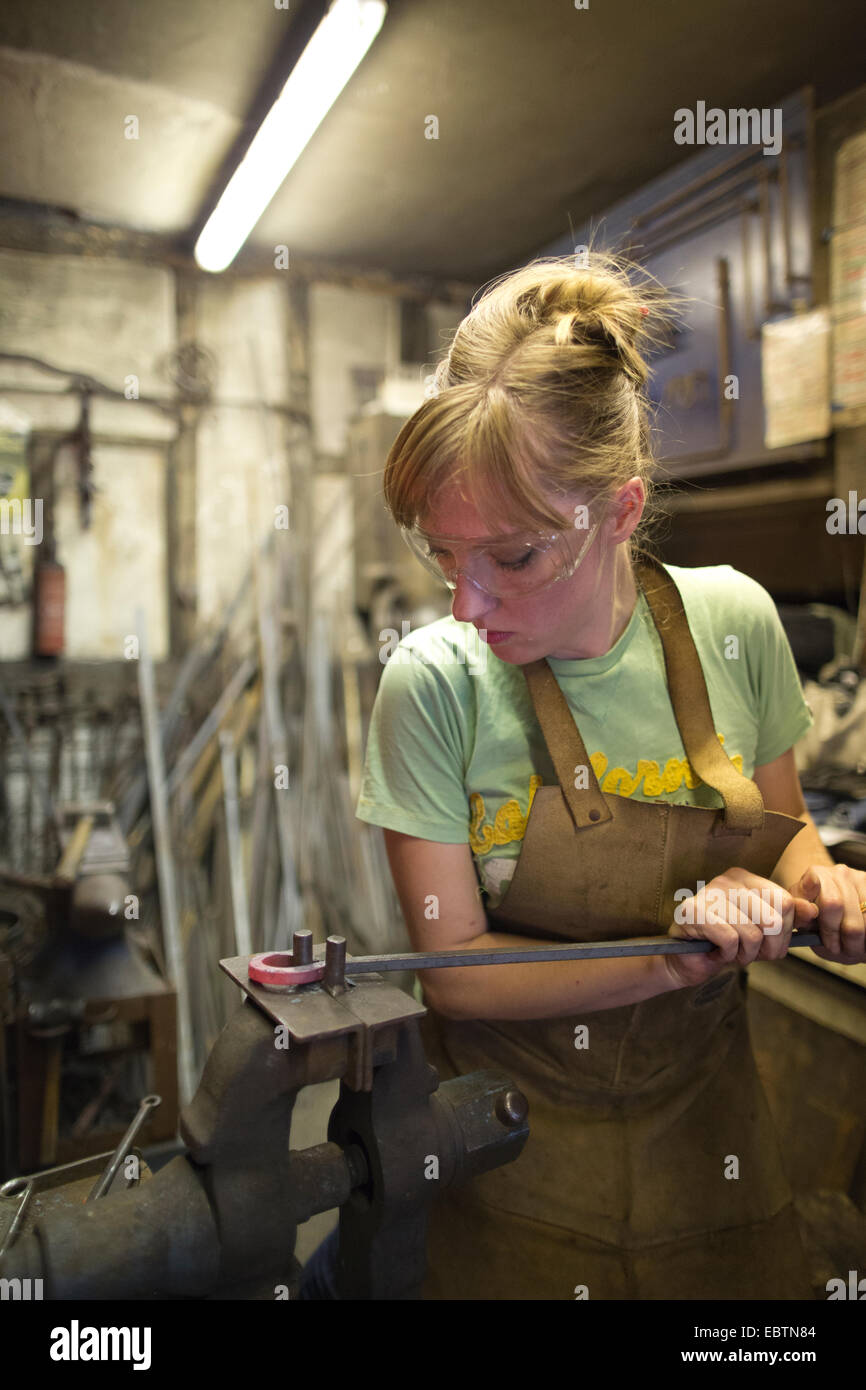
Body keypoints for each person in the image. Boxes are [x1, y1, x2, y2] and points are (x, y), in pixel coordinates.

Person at [301, 252, 866, 1301]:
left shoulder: (733, 624)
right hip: (501, 1159)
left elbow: (782, 830)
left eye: (509, 557)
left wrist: (816, 880)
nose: (467, 603)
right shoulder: (431, 687)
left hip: (713, 1148)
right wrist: (678, 952)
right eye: (442, 555)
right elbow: (455, 967)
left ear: (617, 510)